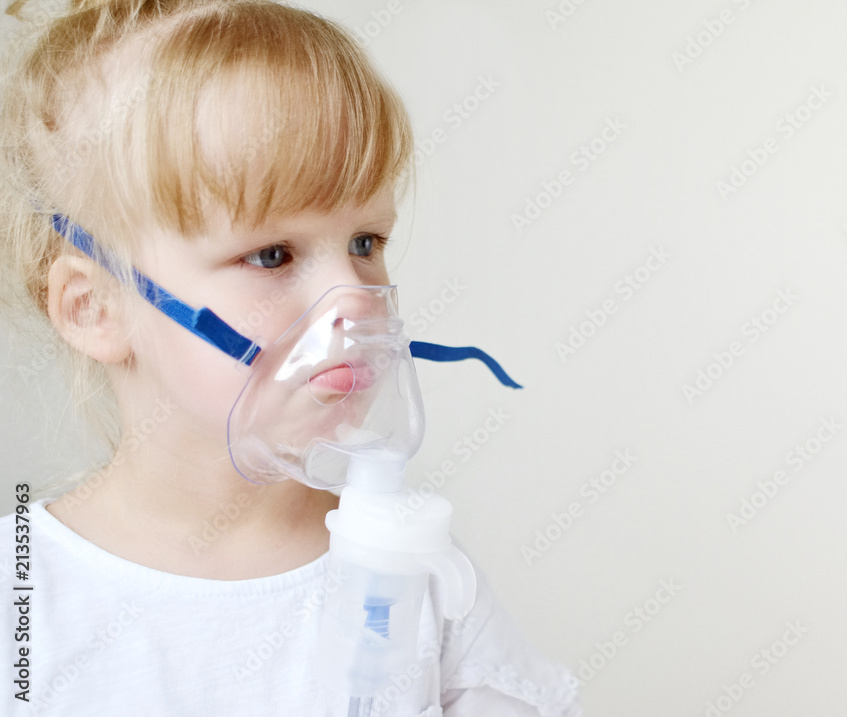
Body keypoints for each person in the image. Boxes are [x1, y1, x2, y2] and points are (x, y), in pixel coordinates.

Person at [0, 0, 582, 713]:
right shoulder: (25, 598)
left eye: (366, 241)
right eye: (272, 254)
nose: (355, 298)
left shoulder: (416, 577)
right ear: (94, 308)